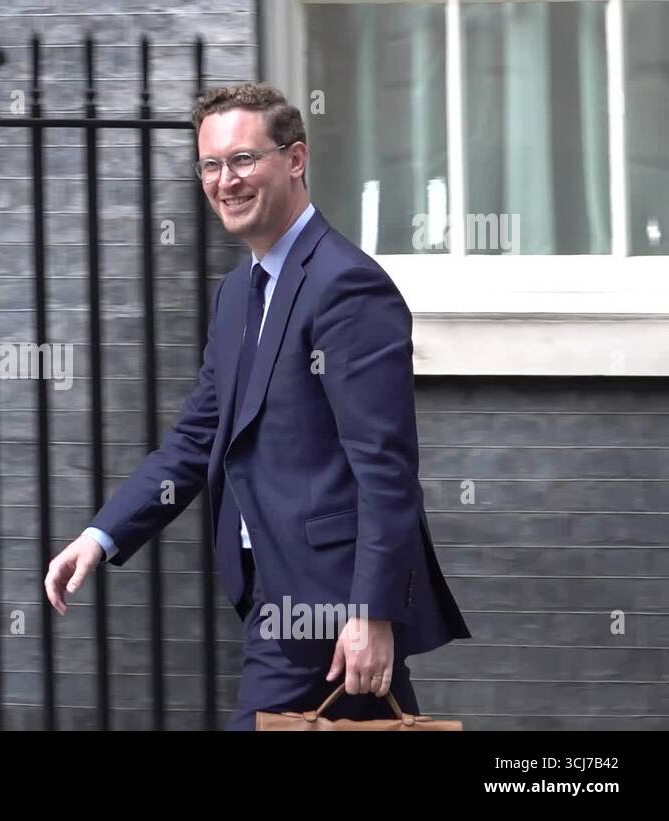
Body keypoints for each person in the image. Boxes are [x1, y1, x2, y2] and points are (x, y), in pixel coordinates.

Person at [43, 82, 471, 730]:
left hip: (327, 602)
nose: (225, 181)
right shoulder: (239, 292)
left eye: (243, 159)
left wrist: (372, 611)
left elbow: (384, 465)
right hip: (273, 594)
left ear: (295, 159)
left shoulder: (346, 286)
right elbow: (197, 437)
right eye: (211, 165)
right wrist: (101, 535)